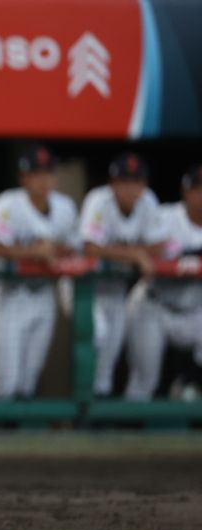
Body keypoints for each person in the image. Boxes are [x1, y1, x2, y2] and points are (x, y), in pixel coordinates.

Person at [0, 146, 79, 400]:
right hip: (9, 295)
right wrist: (37, 251)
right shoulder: (7, 204)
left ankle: (18, 437)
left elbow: (74, 247)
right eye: (36, 174)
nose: (43, 180)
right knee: (8, 381)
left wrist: (52, 250)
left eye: (48, 173)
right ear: (23, 178)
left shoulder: (65, 207)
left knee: (28, 380)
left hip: (43, 295)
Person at [80, 152, 162, 398]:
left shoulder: (148, 201)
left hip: (114, 289)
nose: (130, 188)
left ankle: (95, 419)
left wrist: (122, 253)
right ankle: (82, 402)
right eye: (124, 182)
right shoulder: (98, 201)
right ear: (112, 184)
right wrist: (135, 254)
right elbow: (90, 248)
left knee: (110, 354)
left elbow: (157, 246)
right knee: (98, 332)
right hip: (83, 288)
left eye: (136, 181)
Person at [125, 165, 202, 400]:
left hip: (193, 312)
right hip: (153, 305)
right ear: (185, 192)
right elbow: (134, 245)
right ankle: (126, 431)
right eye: (197, 190)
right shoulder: (163, 217)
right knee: (144, 381)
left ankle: (190, 380)